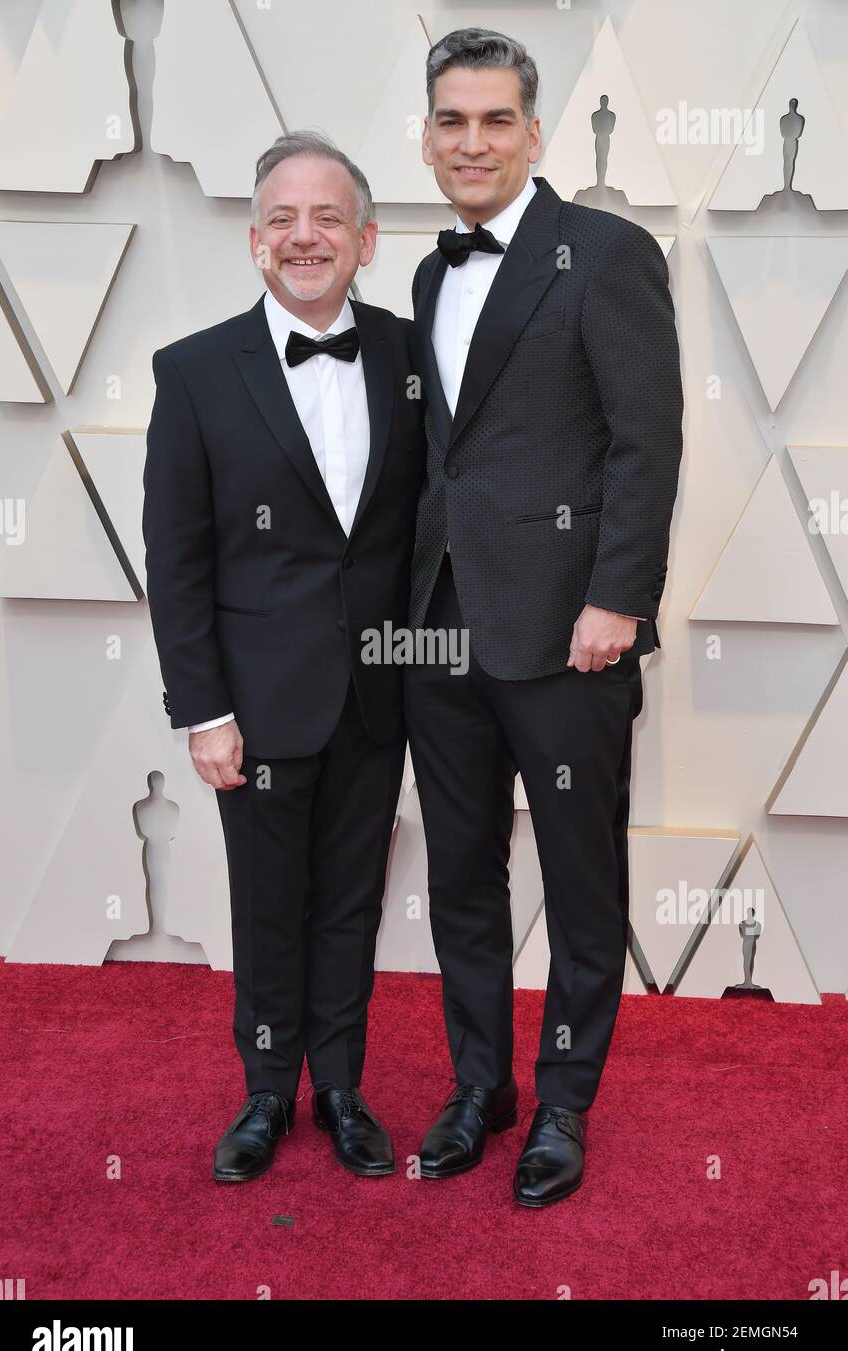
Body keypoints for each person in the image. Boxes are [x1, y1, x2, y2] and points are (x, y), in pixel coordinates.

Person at [405, 28, 683, 1205]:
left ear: (531, 131)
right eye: (451, 122)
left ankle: (562, 1102)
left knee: (578, 877)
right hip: (439, 624)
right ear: (427, 136)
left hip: (571, 628)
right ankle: (483, 1085)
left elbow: (646, 437)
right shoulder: (426, 271)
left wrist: (615, 596)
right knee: (461, 870)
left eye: (494, 121)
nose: (472, 143)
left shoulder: (605, 253)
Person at [142, 132, 425, 1183]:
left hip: (378, 692)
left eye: (326, 218)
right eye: (282, 219)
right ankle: (265, 1094)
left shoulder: (406, 354)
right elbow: (174, 559)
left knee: (351, 894)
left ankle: (340, 1086)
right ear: (255, 241)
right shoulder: (195, 371)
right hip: (255, 704)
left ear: (365, 237)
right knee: (267, 898)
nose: (304, 236)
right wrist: (202, 710)